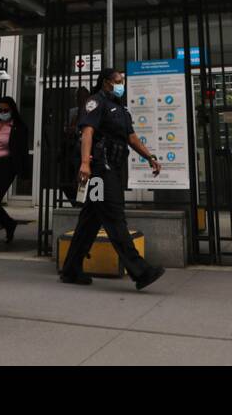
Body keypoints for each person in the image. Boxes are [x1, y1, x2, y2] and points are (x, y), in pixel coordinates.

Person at [58, 67, 165, 289]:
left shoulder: (121, 109)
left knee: (91, 218)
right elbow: (87, 132)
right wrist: (85, 163)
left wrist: (150, 157)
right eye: (118, 81)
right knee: (115, 216)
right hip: (99, 171)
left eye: (122, 80)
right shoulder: (96, 102)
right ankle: (140, 271)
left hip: (112, 169)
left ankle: (71, 269)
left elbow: (132, 138)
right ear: (106, 82)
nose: (121, 84)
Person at [0, 95, 29, 251]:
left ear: (12, 110)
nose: (2, 113)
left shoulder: (19, 128)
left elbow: (22, 152)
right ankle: (9, 223)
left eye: (6, 110)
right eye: (0, 110)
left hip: (6, 166)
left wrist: (24, 174)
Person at [58, 87, 88, 205]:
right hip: (71, 150)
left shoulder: (91, 111)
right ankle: (76, 202)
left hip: (85, 151)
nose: (80, 99)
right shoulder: (72, 112)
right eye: (78, 97)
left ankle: (83, 203)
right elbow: (66, 129)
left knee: (82, 179)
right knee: (66, 180)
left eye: (82, 97)